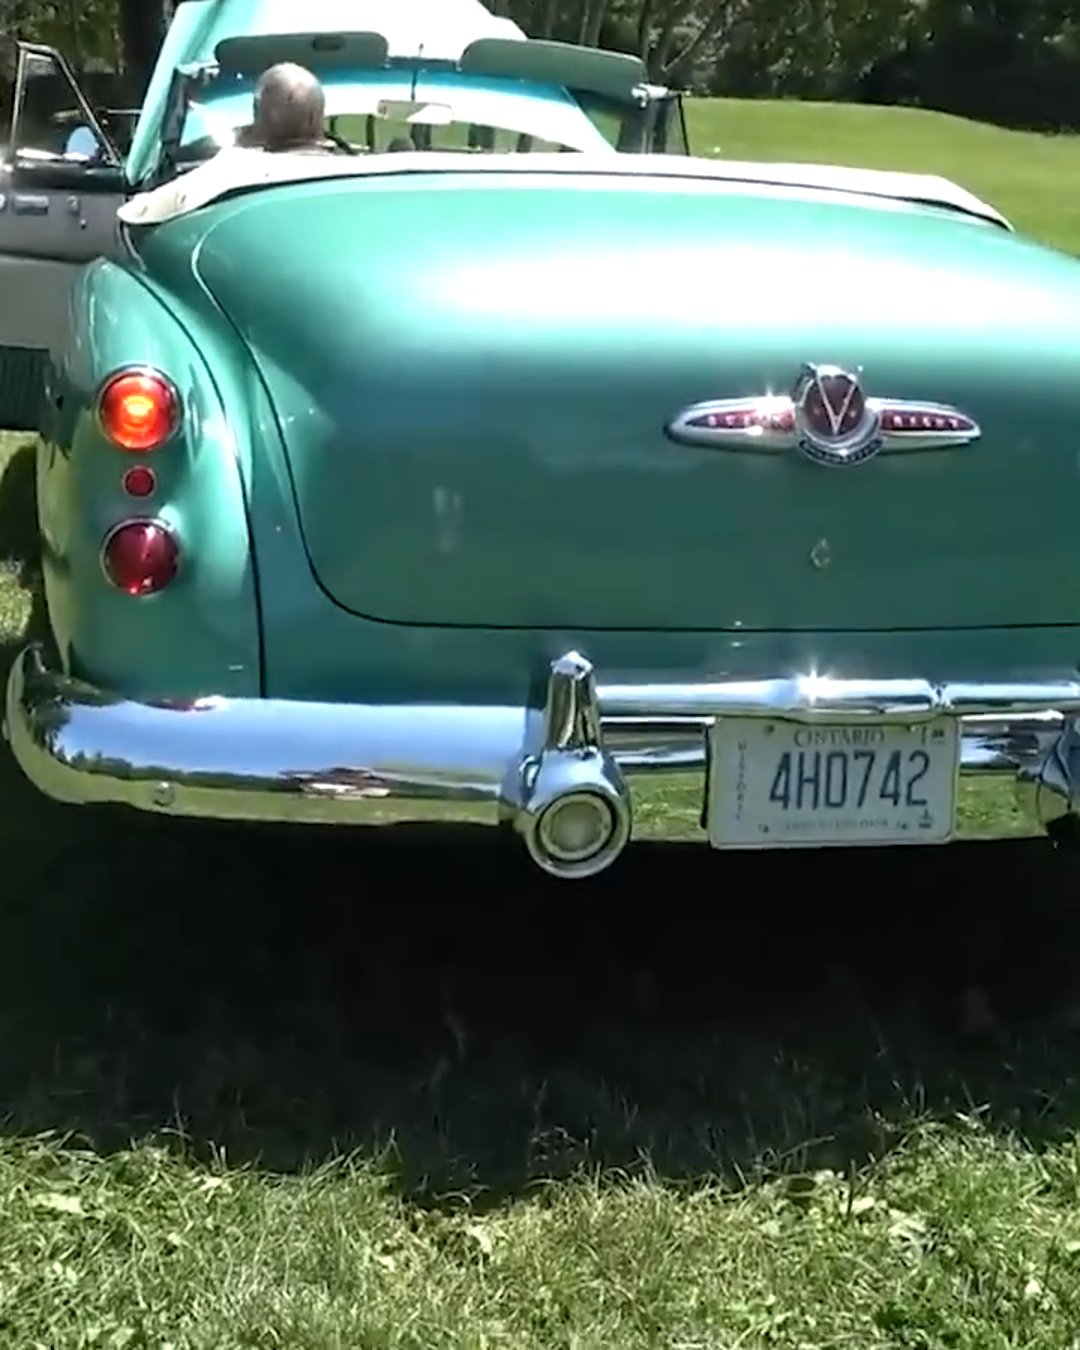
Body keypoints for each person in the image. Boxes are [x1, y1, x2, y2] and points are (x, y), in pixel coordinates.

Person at [118, 61, 340, 227]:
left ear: (258, 117)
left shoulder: (232, 168)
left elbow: (137, 214)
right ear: (319, 118)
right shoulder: (356, 172)